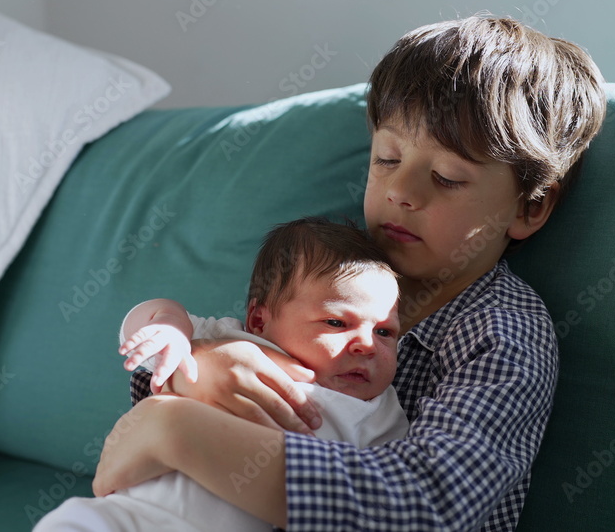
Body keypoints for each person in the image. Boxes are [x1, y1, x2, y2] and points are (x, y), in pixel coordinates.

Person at [92, 14, 607, 531]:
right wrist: (204, 366)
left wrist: (177, 431)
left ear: (530, 207)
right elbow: (194, 362)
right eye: (387, 158)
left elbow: (429, 506)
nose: (400, 192)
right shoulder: (339, 272)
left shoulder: (503, 333)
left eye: (448, 177)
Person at [35, 218, 408, 531]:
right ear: (259, 320)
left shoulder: (378, 409)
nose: (366, 345)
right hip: (126, 518)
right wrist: (168, 327)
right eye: (336, 322)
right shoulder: (228, 339)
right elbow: (145, 316)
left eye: (385, 332)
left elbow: (386, 487)